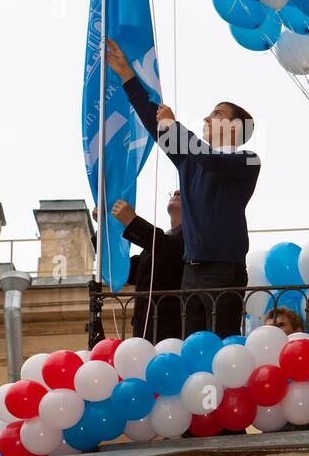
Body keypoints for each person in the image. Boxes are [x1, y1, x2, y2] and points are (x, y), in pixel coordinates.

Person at [105, 38, 259, 338]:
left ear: (234, 129)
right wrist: (127, 76)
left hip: (223, 269)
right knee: (195, 348)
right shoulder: (191, 159)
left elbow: (211, 160)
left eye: (216, 114)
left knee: (221, 348)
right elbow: (155, 125)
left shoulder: (248, 161)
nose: (206, 117)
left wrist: (173, 127)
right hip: (192, 271)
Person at [113, 190, 185, 341]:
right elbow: (122, 269)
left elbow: (168, 248)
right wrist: (106, 230)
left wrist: (132, 221)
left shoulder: (195, 239)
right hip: (144, 332)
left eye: (184, 191)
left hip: (173, 332)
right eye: (173, 191)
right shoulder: (153, 246)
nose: (177, 191)